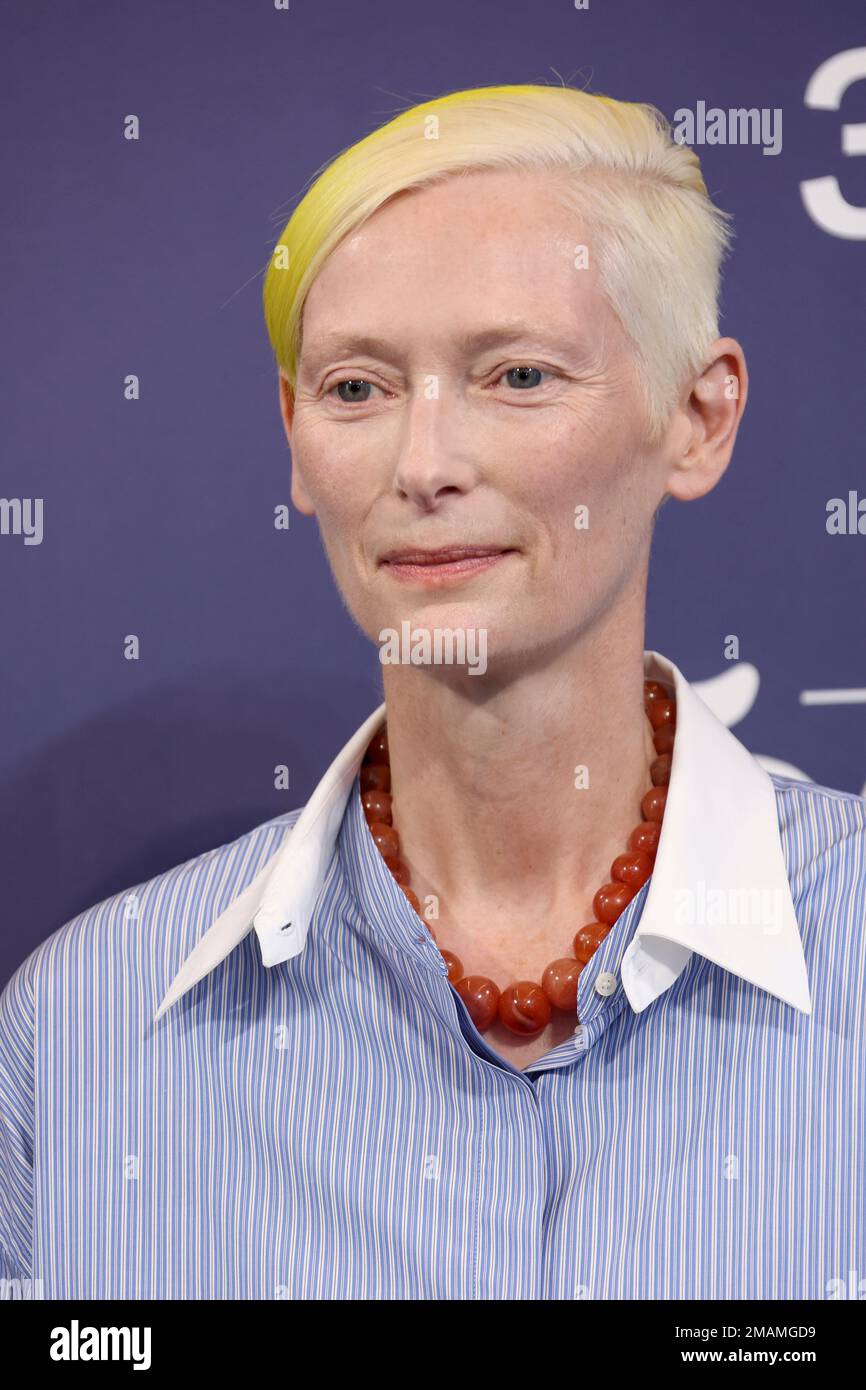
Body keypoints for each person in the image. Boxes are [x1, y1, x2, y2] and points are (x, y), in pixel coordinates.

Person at [1, 83, 864, 1301]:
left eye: (515, 374)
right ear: (296, 441)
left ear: (697, 415)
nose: (423, 465)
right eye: (357, 388)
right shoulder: (82, 1030)